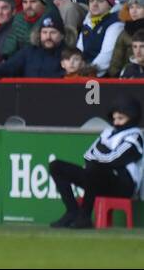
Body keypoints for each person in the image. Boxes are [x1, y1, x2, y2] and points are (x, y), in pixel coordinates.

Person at [47, 95, 143, 228]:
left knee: (95, 168)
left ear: (131, 118)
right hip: (98, 179)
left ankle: (85, 217)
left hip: (124, 185)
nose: (116, 122)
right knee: (56, 166)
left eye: (121, 118)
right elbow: (88, 155)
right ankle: (72, 211)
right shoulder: (108, 132)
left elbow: (115, 159)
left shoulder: (135, 136)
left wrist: (100, 155)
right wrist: (101, 156)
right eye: (114, 118)